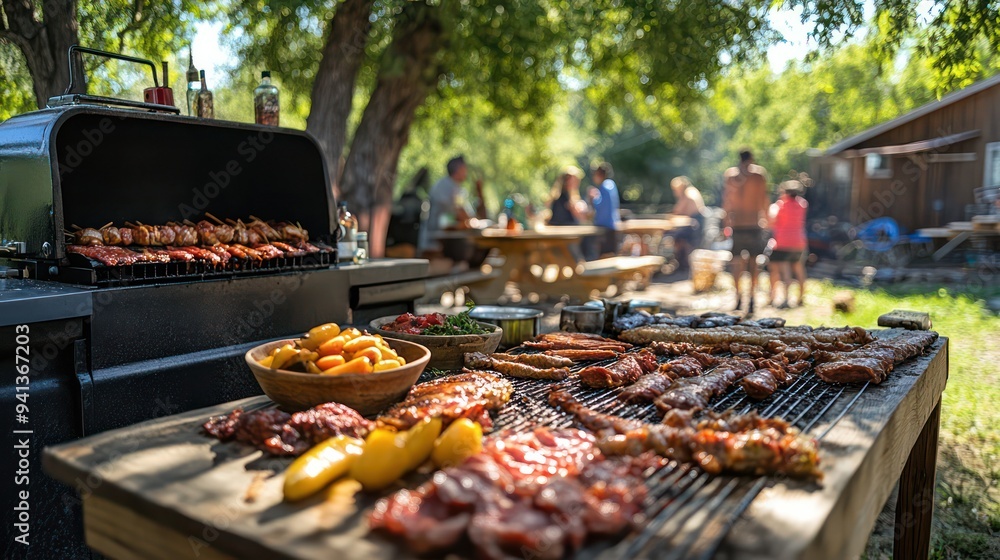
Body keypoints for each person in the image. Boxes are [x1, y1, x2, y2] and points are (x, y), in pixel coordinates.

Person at [722, 149, 770, 315]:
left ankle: (738, 297)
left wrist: (725, 222)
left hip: (738, 225)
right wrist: (768, 221)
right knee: (753, 264)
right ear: (752, 158)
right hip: (754, 225)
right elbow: (764, 199)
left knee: (737, 263)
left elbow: (727, 201)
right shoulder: (759, 175)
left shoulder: (731, 175)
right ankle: (751, 299)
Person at [417, 155, 488, 265]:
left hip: (445, 235)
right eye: (465, 168)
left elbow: (462, 214)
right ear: (459, 169)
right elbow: (456, 214)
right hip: (437, 239)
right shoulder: (446, 186)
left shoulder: (454, 187)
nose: (467, 172)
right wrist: (471, 221)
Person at [768, 180, 809, 308]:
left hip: (782, 241)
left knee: (784, 270)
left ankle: (784, 298)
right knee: (799, 269)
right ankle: (800, 298)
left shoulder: (780, 206)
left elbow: (771, 220)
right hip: (799, 241)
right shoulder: (803, 204)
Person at [670, 176, 706, 269]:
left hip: (694, 226)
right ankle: (682, 261)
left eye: (675, 190)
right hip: (696, 223)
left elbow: (677, 210)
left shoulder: (688, 193)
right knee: (677, 235)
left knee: (677, 237)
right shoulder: (691, 191)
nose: (675, 193)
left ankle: (682, 263)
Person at [587, 162, 621, 259]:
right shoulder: (611, 185)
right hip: (612, 226)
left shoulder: (605, 187)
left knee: (605, 255)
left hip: (606, 227)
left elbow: (602, 206)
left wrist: (593, 198)